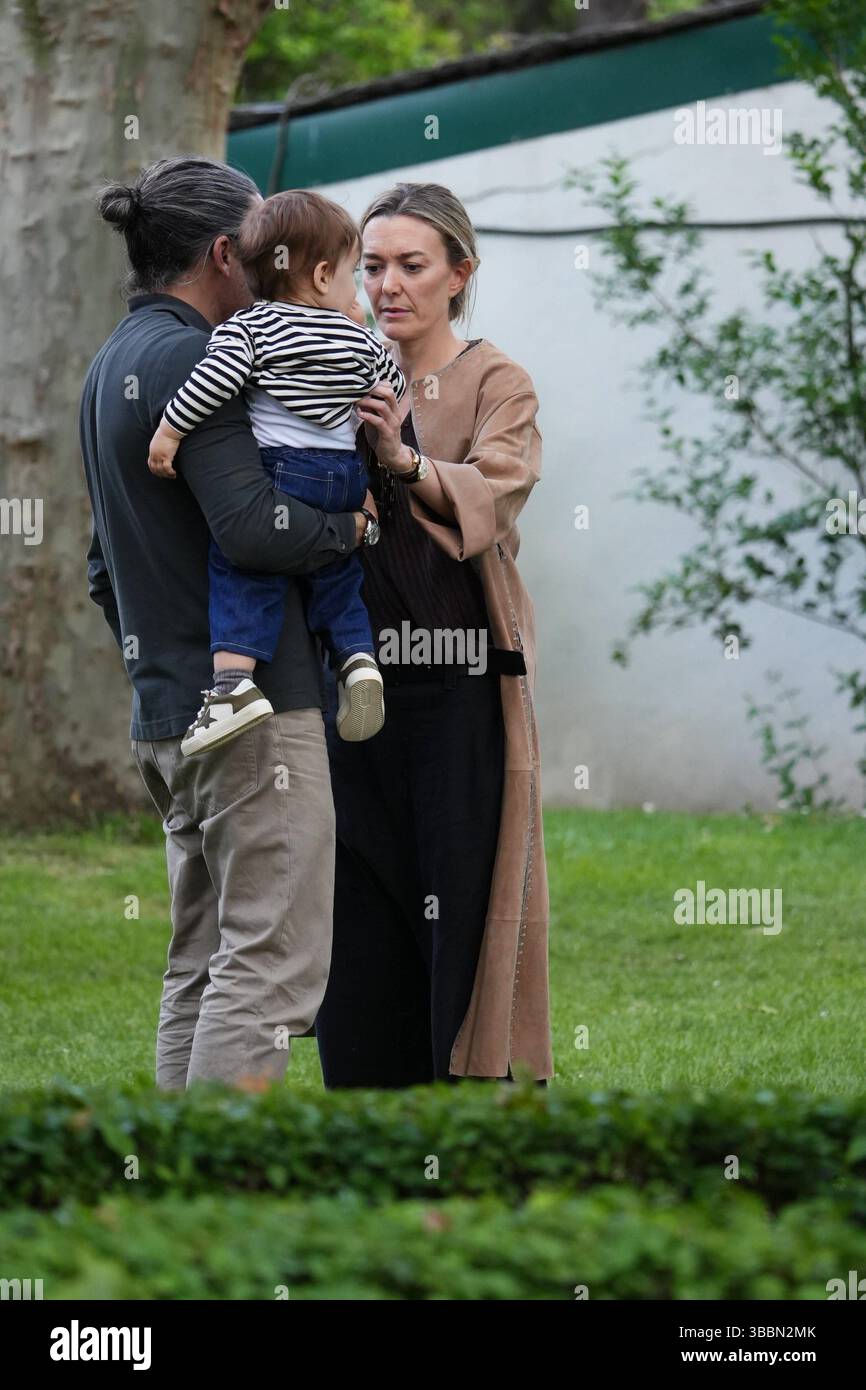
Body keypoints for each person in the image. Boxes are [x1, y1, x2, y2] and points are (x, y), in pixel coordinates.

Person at [79, 156, 372, 1090]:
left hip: (169, 714)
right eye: (259, 248)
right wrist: (353, 526)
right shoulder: (197, 360)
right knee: (270, 971)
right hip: (257, 714)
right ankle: (219, 1214)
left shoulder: (111, 364)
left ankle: (171, 1202)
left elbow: (99, 568)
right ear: (223, 253)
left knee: (201, 967)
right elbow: (253, 525)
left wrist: (162, 663)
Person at [314, 182, 554, 1087]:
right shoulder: (332, 360)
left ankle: (464, 1082)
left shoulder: (499, 381)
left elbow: (495, 491)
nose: (388, 285)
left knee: (460, 895)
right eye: (372, 265)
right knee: (358, 894)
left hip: (462, 685)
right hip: (353, 679)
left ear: (461, 273)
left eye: (412, 266)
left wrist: (404, 457)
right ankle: (368, 1101)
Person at [146, 190, 405, 755]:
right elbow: (393, 388)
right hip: (343, 476)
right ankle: (357, 659)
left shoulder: (248, 328)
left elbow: (210, 385)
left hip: (283, 470)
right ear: (319, 276)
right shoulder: (359, 337)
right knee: (337, 573)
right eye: (352, 276)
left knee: (243, 567)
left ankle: (233, 687)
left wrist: (169, 431)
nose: (356, 290)